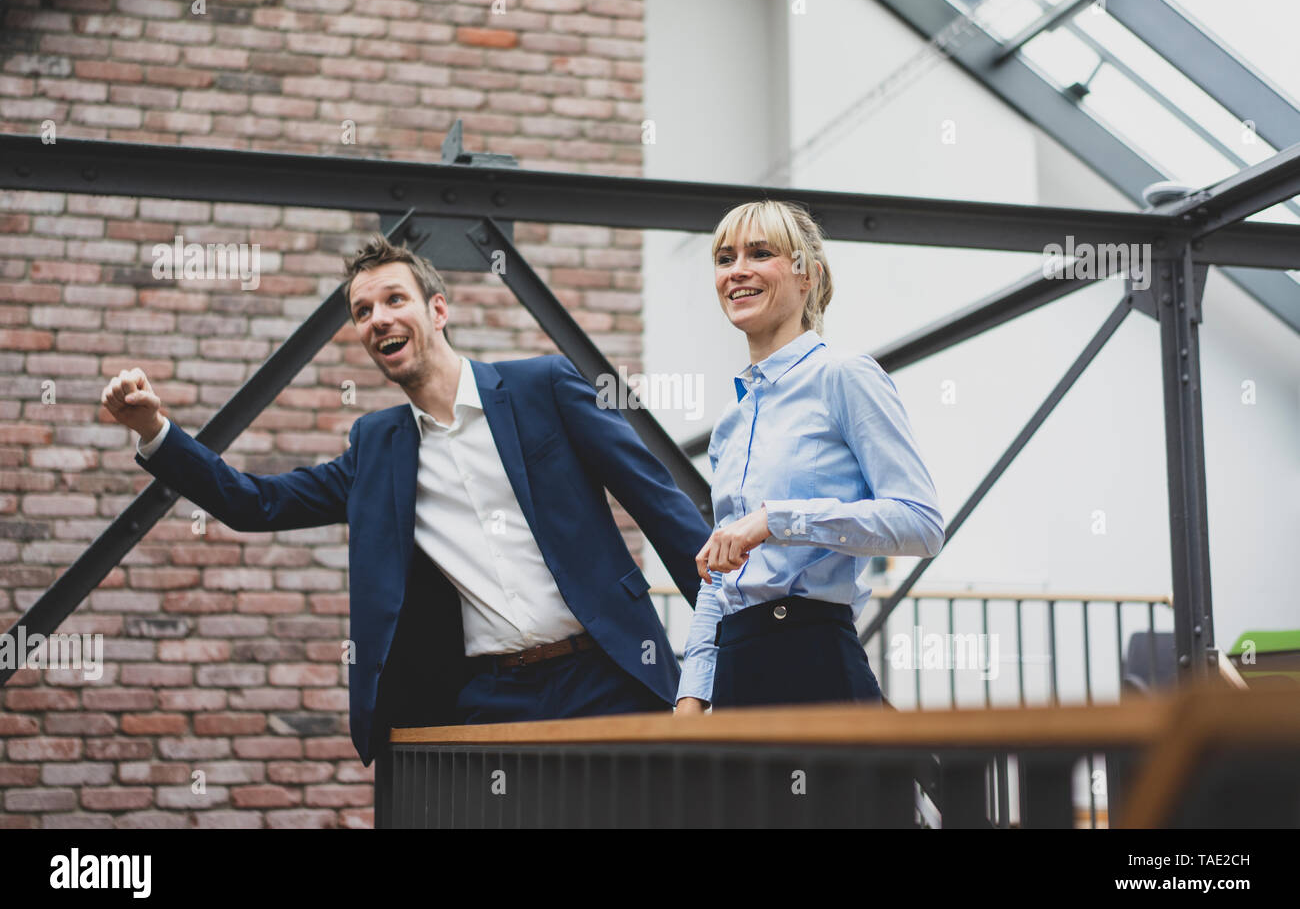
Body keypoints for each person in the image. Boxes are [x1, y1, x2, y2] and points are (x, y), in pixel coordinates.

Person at [101, 234, 712, 767]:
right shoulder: (377, 447)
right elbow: (257, 504)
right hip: (495, 698)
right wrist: (156, 432)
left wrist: (719, 661)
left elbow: (658, 502)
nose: (378, 319)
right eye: (362, 311)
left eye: (394, 300)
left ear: (437, 309)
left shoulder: (543, 388)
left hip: (608, 671)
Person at [675, 200, 945, 714]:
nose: (738, 271)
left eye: (760, 253)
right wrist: (690, 694)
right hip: (735, 675)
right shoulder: (730, 426)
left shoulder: (844, 377)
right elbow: (721, 574)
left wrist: (776, 520)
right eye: (725, 258)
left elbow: (922, 524)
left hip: (814, 663)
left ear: (808, 275)